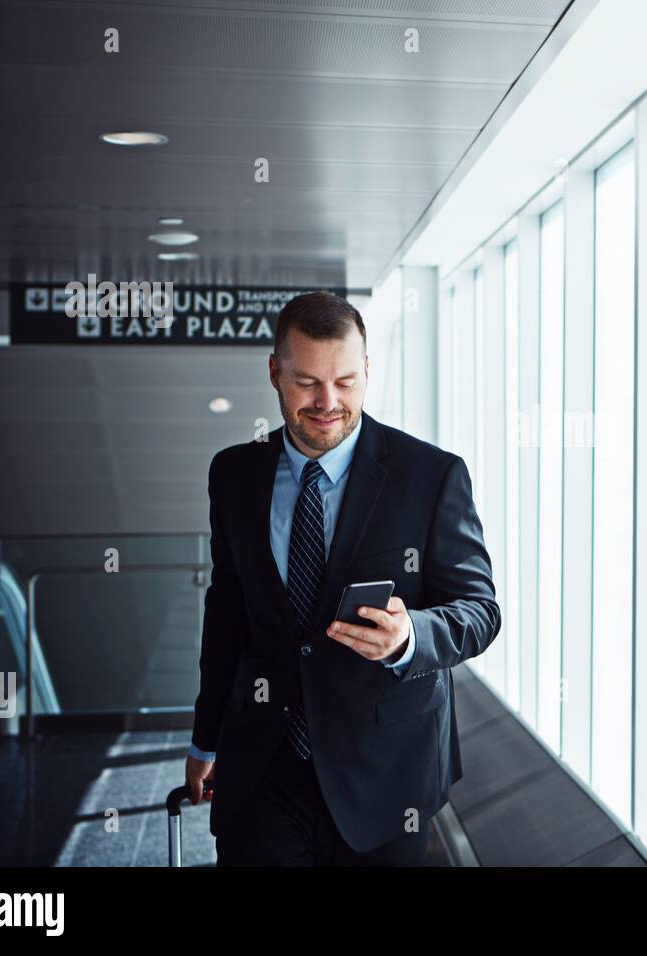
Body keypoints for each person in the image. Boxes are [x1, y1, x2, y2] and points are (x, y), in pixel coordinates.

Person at [184, 290, 500, 865]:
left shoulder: (430, 476)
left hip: (386, 772)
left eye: (346, 382)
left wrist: (410, 638)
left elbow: (479, 609)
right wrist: (206, 738)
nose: (328, 402)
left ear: (367, 371)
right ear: (275, 373)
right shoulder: (233, 474)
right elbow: (226, 613)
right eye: (306, 382)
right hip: (264, 766)